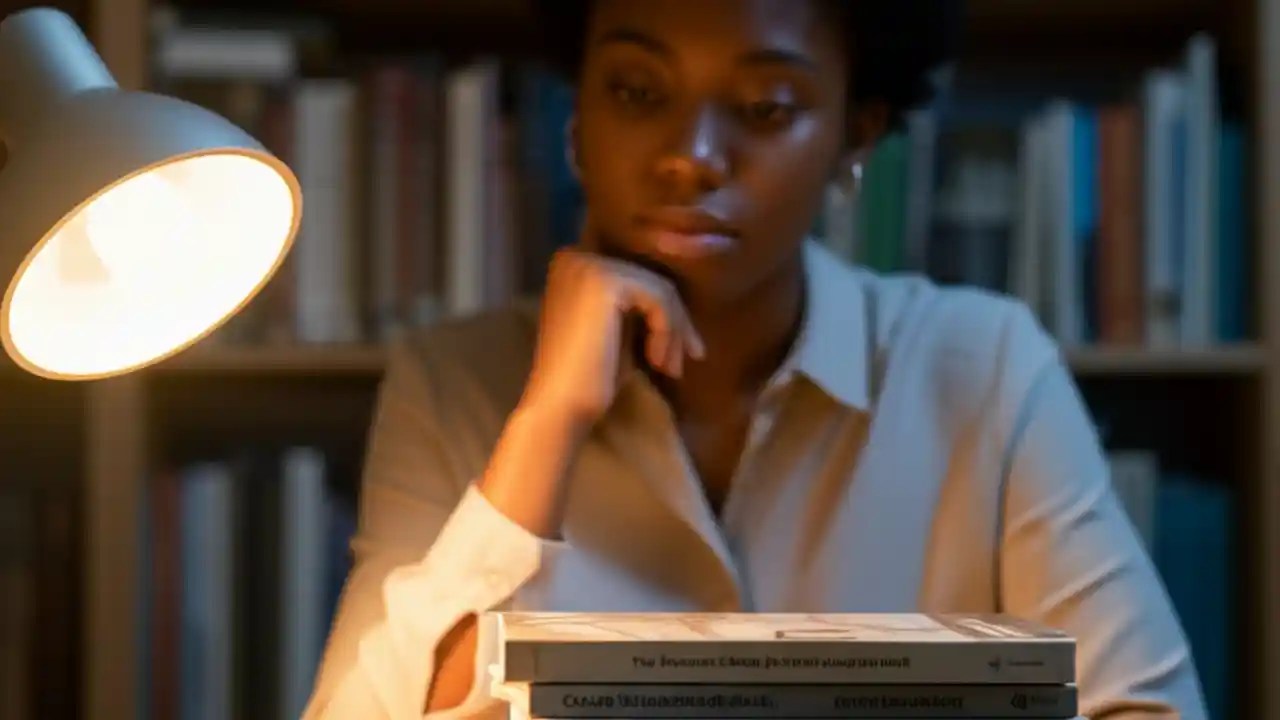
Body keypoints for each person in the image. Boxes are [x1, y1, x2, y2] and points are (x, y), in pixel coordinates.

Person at [303, 1, 1207, 718]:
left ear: (857, 134)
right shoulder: (457, 379)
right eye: (636, 90)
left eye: (765, 109)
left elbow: (1145, 709)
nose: (691, 159)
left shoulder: (983, 368)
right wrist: (547, 424)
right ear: (576, 114)